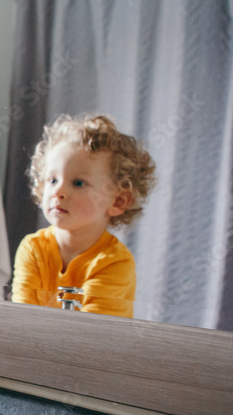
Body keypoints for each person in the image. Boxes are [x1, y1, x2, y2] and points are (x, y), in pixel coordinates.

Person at [11, 114, 156, 317]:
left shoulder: (115, 263)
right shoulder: (33, 249)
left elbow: (89, 335)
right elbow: (20, 317)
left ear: (118, 201)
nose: (58, 191)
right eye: (52, 180)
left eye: (78, 183)